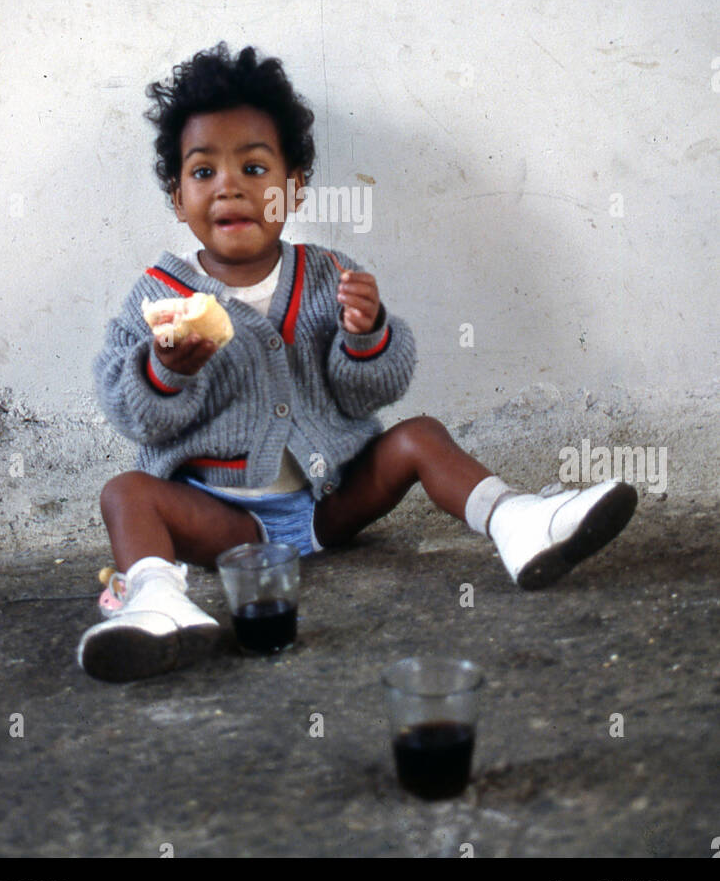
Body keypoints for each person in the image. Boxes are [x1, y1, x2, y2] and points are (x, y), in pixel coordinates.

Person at [78, 43, 638, 681]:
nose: (229, 185)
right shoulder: (156, 297)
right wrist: (166, 370)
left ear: (292, 190)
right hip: (226, 523)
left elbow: (368, 394)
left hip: (328, 501)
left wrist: (366, 333)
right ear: (178, 199)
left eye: (254, 169)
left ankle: (518, 521)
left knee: (420, 436)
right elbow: (130, 413)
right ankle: (156, 602)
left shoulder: (327, 276)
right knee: (125, 493)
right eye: (203, 172)